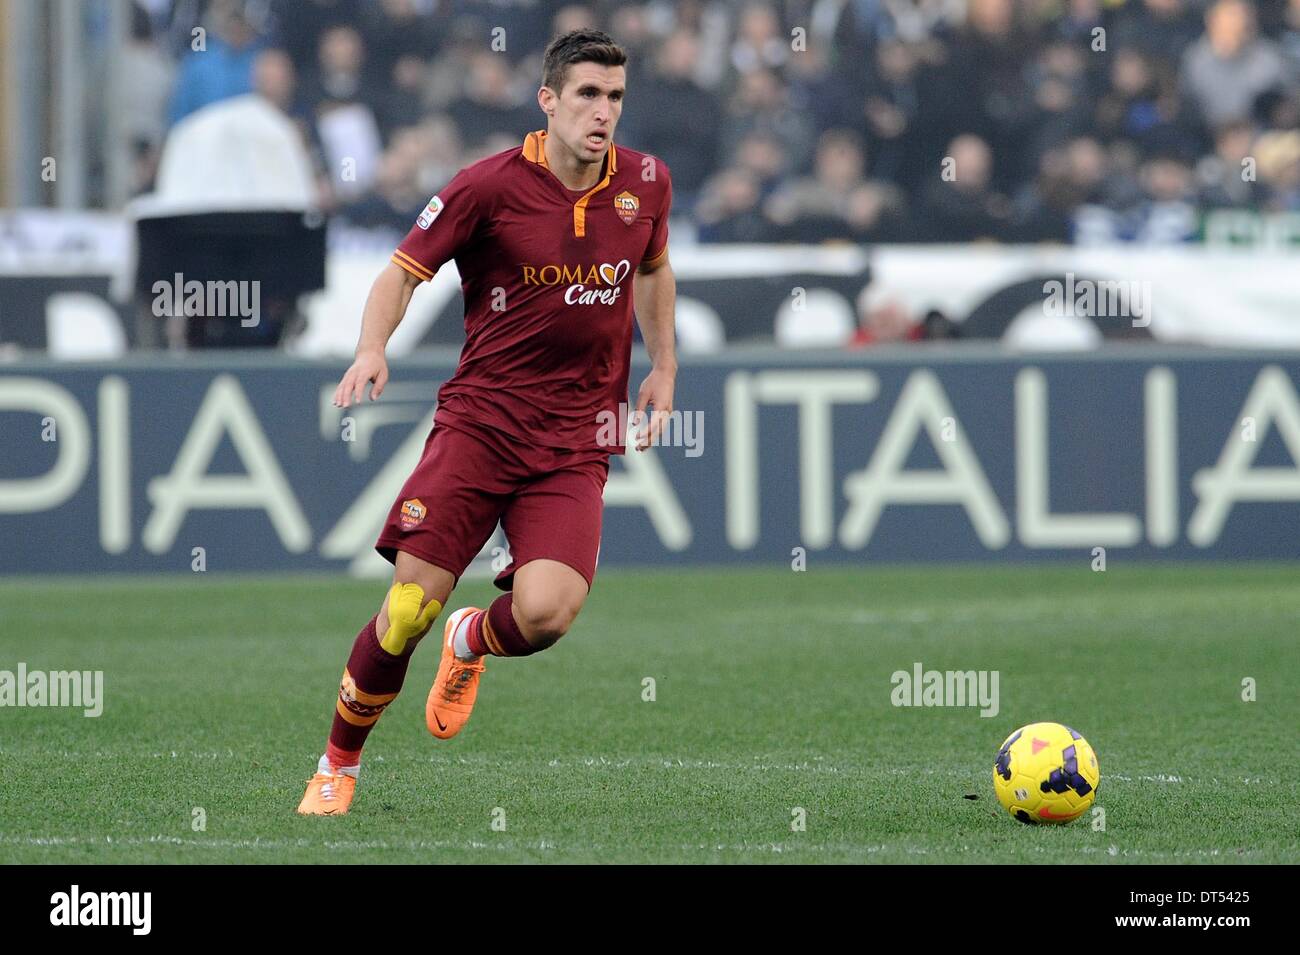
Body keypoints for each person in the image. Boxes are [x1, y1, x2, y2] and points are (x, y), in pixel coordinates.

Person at [297, 29, 677, 814]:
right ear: (548, 101)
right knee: (405, 609)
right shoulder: (487, 187)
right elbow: (403, 271)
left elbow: (653, 268)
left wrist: (664, 367)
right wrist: (372, 347)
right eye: (587, 96)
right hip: (481, 425)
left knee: (546, 615)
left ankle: (471, 639)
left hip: (576, 437)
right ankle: (338, 763)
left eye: (614, 98)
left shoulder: (646, 184)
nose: (603, 113)